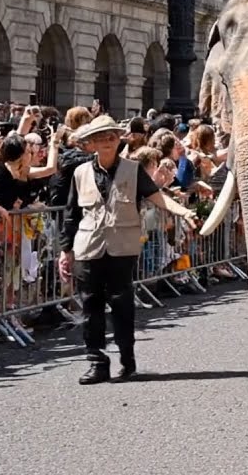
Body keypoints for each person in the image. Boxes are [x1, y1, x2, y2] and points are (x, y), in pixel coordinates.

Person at [58, 115, 200, 384]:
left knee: (121, 304)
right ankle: (97, 362)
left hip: (123, 248)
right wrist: (65, 250)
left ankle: (127, 359)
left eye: (111, 137)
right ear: (91, 144)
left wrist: (184, 211)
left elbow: (159, 198)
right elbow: (71, 215)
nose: (106, 142)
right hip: (88, 247)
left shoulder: (133, 170)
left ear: (118, 139)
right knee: (91, 306)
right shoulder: (80, 173)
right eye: (100, 138)